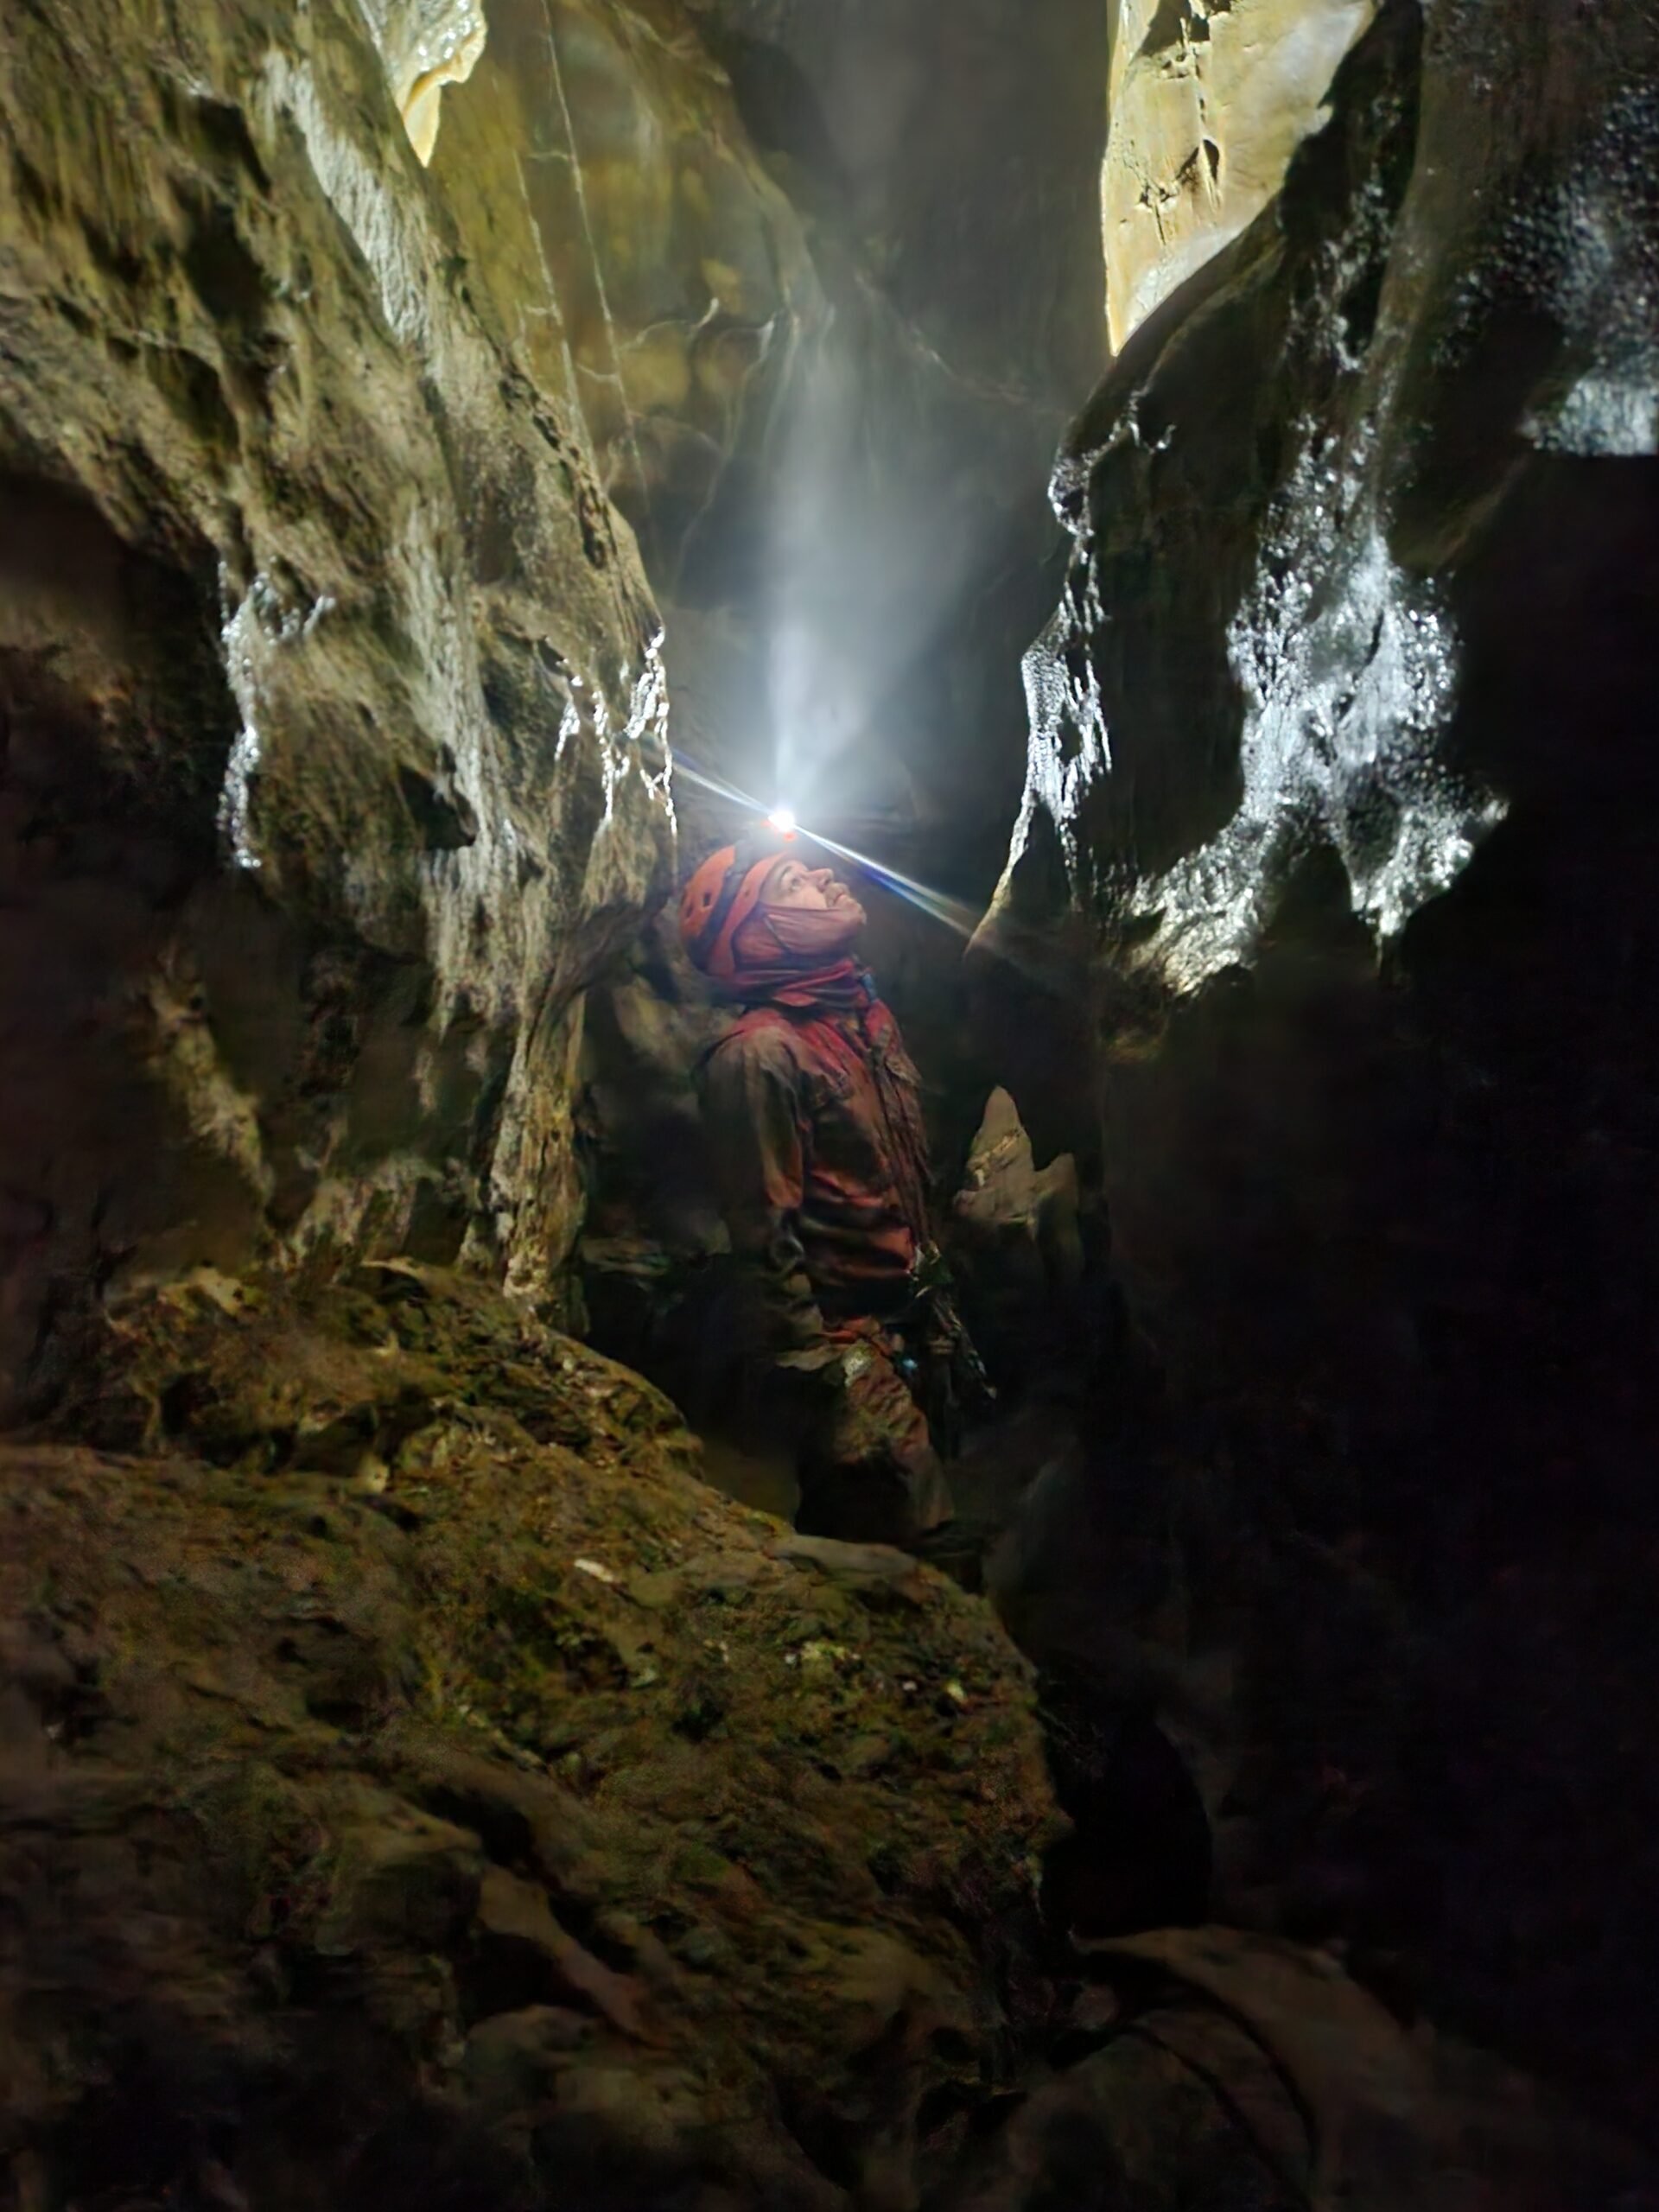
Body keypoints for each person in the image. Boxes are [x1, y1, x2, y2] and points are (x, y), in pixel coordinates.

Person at [679, 834, 988, 1553]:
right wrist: (823, 1386)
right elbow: (765, 1237)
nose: (824, 875)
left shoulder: (864, 1019)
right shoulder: (758, 1058)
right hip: (846, 1347)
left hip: (913, 1327)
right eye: (792, 880)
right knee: (921, 1545)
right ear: (757, 933)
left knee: (880, 1525)